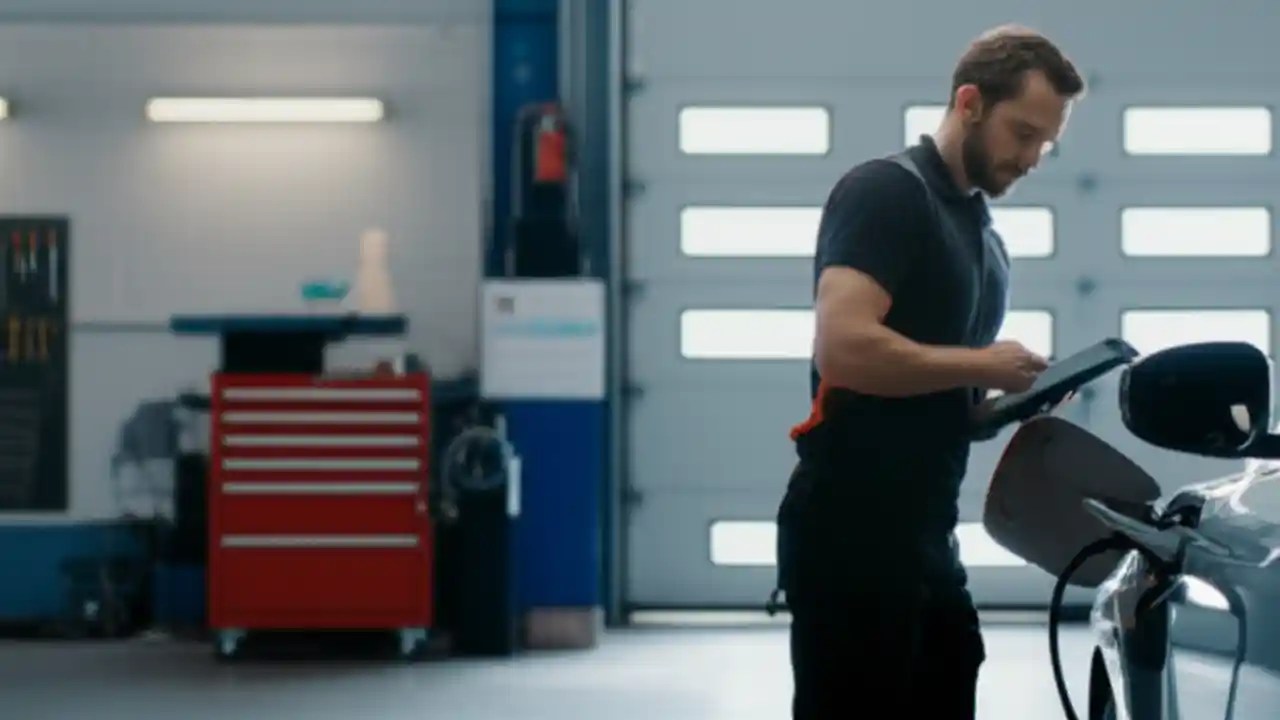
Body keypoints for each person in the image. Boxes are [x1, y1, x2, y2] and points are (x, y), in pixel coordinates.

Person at [775, 24, 1086, 719]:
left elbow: (933, 391)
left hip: (925, 533)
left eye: (1045, 142)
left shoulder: (981, 235)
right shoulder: (886, 194)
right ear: (970, 102)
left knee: (950, 679)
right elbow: (846, 351)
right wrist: (982, 363)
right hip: (851, 530)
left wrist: (999, 402)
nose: (1032, 158)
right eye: (1023, 132)